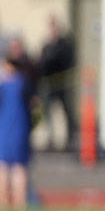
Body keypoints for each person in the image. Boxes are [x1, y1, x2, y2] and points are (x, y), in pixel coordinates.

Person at [0, 47, 35, 209]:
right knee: (19, 167)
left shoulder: (0, 85)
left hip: (1, 129)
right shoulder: (25, 84)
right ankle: (20, 203)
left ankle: (2, 202)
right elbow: (33, 105)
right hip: (20, 129)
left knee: (2, 166)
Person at [36, 15, 76, 151]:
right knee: (47, 112)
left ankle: (69, 140)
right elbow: (41, 64)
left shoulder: (65, 46)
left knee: (66, 111)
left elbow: (68, 62)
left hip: (62, 83)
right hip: (48, 83)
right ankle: (50, 139)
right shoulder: (47, 46)